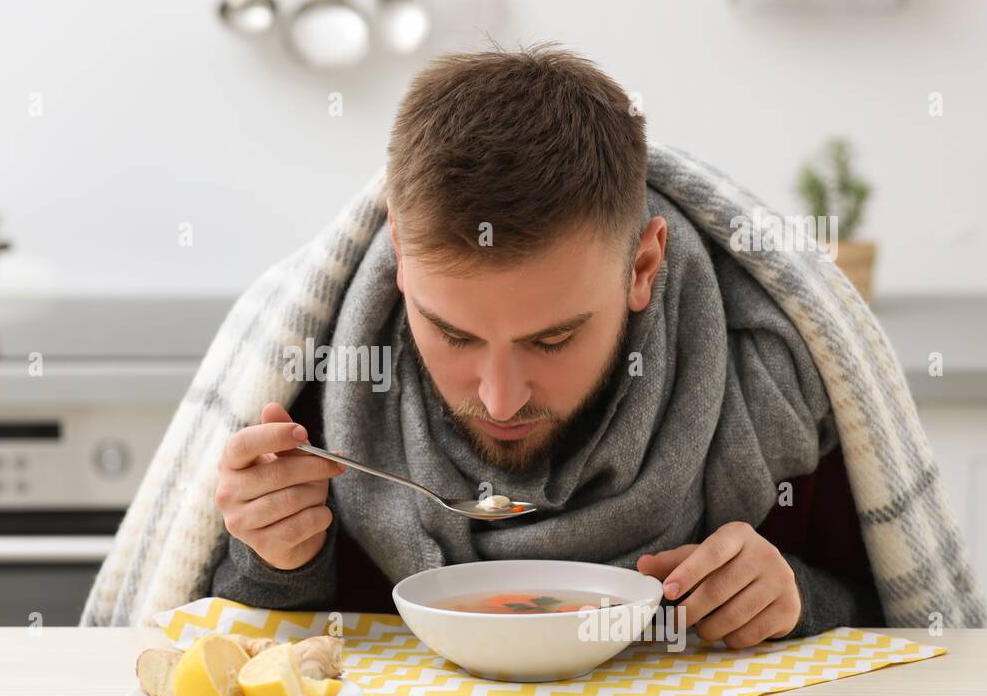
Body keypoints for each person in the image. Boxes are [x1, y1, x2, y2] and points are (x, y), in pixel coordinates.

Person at [210, 43, 884, 649]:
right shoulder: (312, 398)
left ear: (642, 269)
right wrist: (273, 559)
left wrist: (798, 598)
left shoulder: (775, 378)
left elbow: (908, 620)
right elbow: (239, 665)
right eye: (453, 334)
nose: (500, 397)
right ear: (401, 260)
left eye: (553, 338)